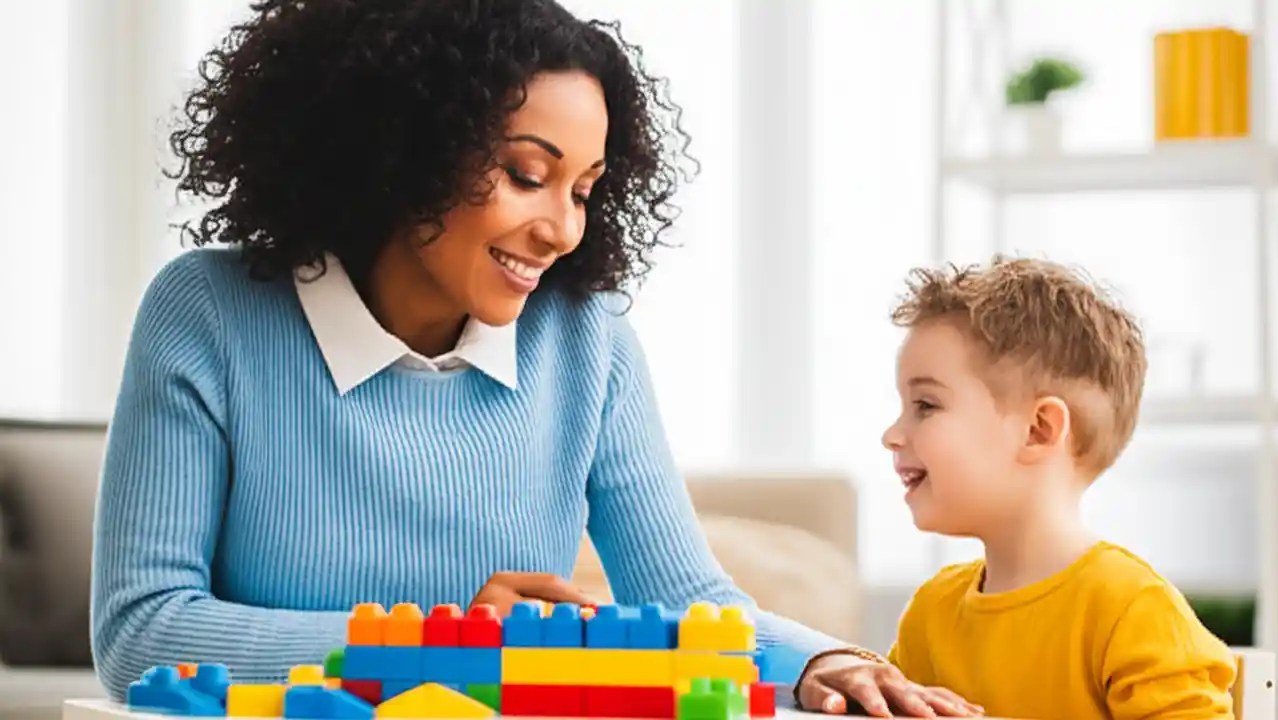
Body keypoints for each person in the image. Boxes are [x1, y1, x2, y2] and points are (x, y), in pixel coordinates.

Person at [89, 1, 982, 715]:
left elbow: (688, 602)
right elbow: (143, 633)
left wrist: (824, 661)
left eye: (585, 190)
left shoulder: (586, 344)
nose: (561, 229)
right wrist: (450, 644)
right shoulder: (208, 312)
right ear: (405, 150)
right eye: (526, 173)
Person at [879, 256, 1238, 718]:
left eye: (926, 405)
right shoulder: (931, 615)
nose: (892, 433)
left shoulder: (1132, 610)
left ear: (1038, 429)